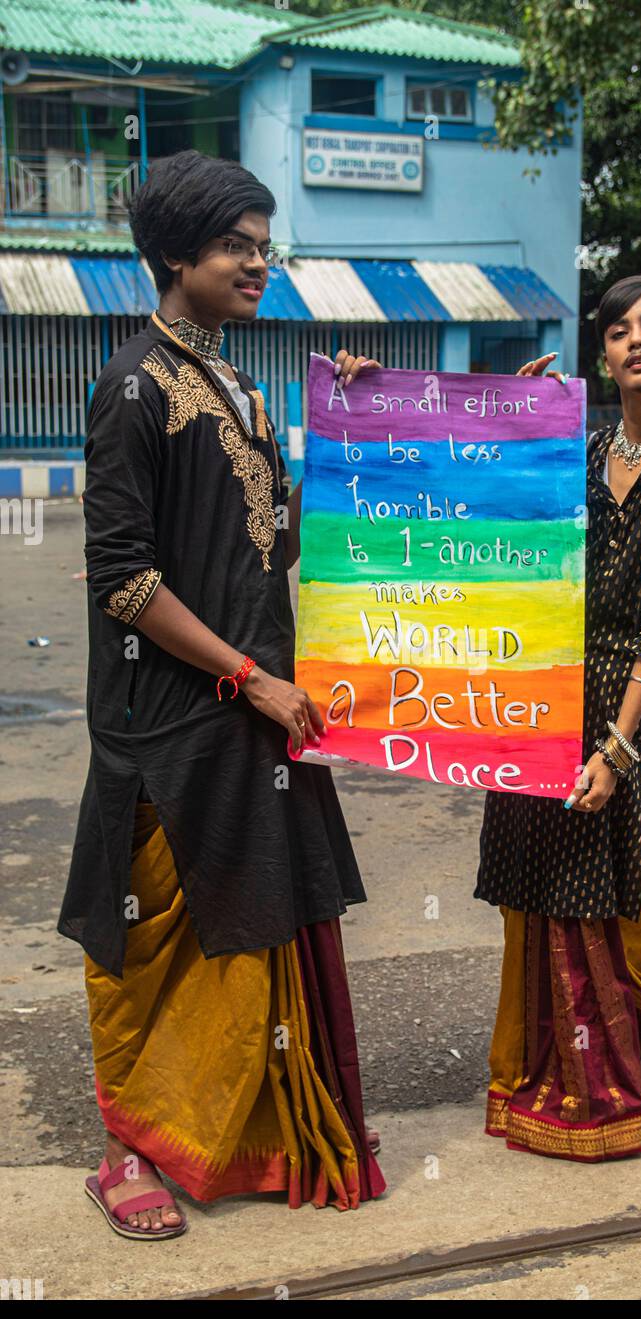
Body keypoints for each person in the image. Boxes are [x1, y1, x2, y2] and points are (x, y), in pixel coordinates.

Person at [58, 150, 384, 1238]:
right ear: (173, 258)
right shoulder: (132, 388)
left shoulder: (241, 390)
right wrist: (248, 678)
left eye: (261, 242)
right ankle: (120, 1153)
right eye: (234, 246)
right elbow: (123, 580)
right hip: (168, 721)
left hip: (256, 706)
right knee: (151, 936)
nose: (257, 262)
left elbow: (274, 544)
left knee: (248, 925)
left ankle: (255, 1126)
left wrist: (355, 424)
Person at [475, 275, 641, 1162]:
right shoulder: (576, 454)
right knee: (539, 881)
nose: (637, 340)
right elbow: (495, 533)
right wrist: (516, 423)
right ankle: (539, 1060)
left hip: (629, 699)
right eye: (620, 329)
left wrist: (618, 747)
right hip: (542, 691)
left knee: (637, 876)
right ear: (605, 357)